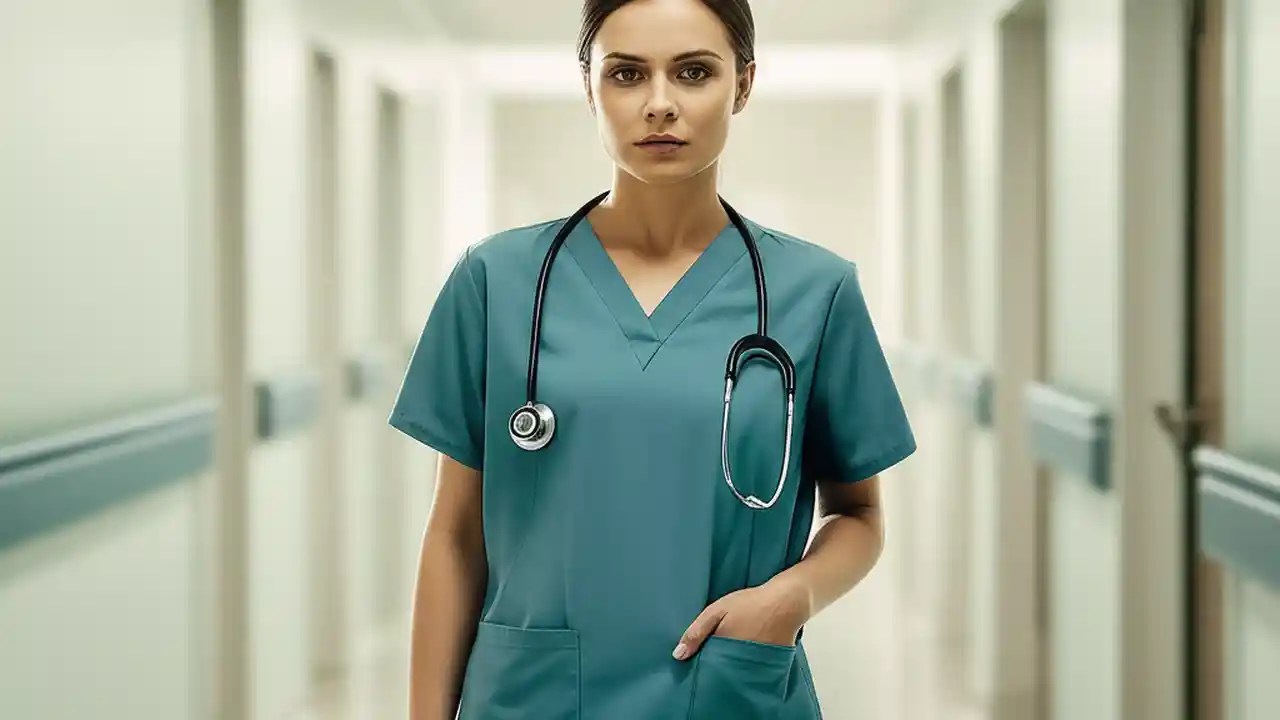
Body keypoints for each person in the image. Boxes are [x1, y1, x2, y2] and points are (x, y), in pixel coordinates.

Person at [388, 0, 916, 717]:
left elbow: (859, 514)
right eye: (627, 73)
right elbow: (454, 533)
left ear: (744, 83)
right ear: (589, 88)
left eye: (694, 72)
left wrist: (794, 596)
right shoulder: (495, 281)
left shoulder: (815, 292)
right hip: (532, 697)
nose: (660, 105)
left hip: (728, 691)